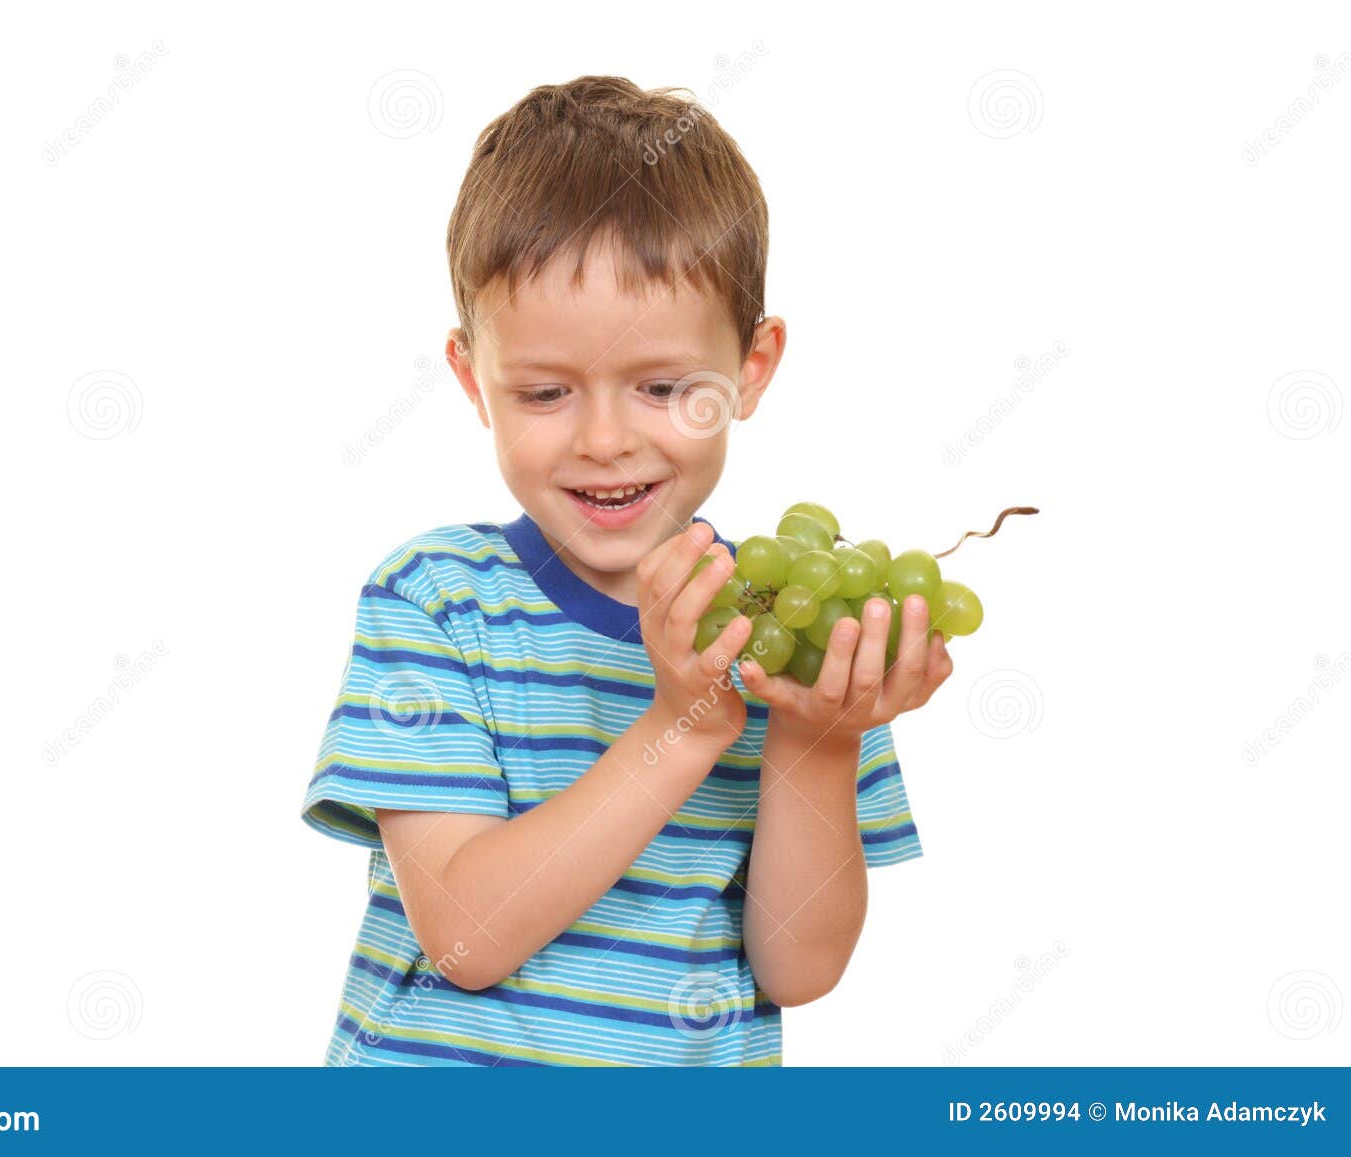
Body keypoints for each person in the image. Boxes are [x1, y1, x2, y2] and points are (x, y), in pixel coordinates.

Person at [301, 75, 954, 1066]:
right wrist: (679, 723)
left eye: (659, 386)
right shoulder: (437, 599)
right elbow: (466, 935)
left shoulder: (796, 631)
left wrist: (816, 741)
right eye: (546, 391)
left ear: (750, 369)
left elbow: (799, 966)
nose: (604, 439)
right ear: (476, 380)